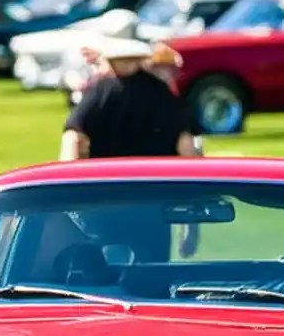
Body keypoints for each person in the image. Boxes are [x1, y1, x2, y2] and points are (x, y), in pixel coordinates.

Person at [60, 37, 200, 261]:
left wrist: (67, 191)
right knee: (152, 271)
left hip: (104, 201)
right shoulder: (162, 95)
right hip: (152, 204)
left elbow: (74, 139)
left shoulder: (99, 92)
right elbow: (187, 151)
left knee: (108, 266)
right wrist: (191, 227)